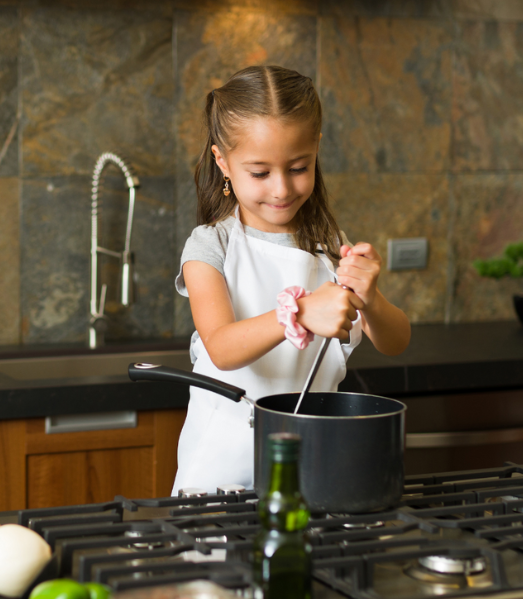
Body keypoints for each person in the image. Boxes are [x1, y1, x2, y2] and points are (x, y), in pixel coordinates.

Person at [175, 66, 410, 494]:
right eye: (260, 173)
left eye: (299, 167)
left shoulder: (329, 246)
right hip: (220, 478)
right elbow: (223, 349)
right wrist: (299, 313)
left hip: (312, 470)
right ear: (222, 162)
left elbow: (395, 341)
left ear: (316, 150)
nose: (282, 189)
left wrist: (371, 298)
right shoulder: (210, 246)